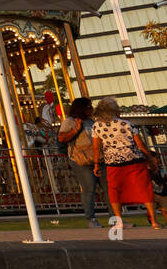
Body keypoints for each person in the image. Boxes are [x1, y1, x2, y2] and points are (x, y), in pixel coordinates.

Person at [91, 97, 161, 230]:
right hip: (133, 160)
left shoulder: (97, 126)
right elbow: (140, 144)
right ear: (113, 110)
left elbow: (96, 147)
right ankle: (154, 222)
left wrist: (96, 164)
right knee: (144, 188)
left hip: (113, 162)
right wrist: (150, 159)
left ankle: (119, 221)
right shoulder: (127, 124)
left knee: (114, 190)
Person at [57, 97, 100, 228]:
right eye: (89, 107)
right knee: (89, 187)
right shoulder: (70, 121)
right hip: (80, 159)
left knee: (108, 187)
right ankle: (91, 218)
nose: (91, 110)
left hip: (98, 157)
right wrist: (76, 129)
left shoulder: (92, 121)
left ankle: (115, 218)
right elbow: (62, 138)